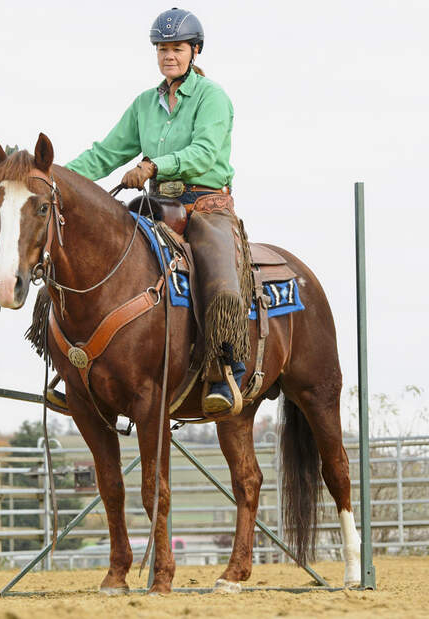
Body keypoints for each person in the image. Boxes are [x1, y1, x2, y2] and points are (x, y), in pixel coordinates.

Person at [65, 7, 251, 415]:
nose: (169, 55)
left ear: (195, 51)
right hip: (157, 206)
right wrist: (57, 178)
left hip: (205, 206)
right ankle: (74, 364)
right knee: (96, 255)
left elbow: (204, 152)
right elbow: (106, 154)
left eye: (177, 48)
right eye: (162, 48)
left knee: (217, 272)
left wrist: (153, 166)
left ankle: (227, 366)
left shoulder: (213, 97)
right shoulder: (143, 105)